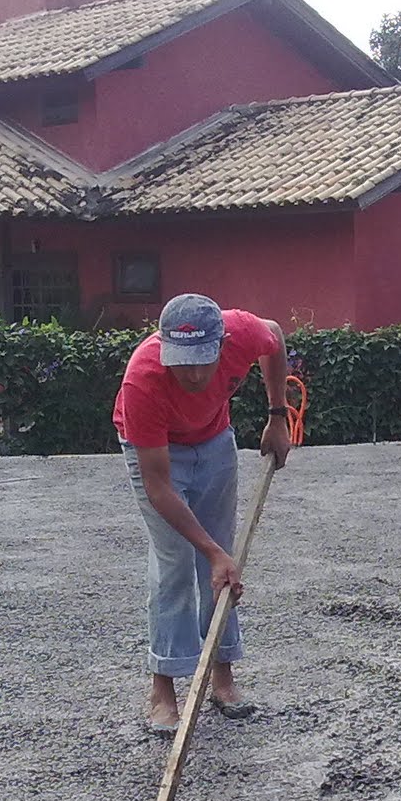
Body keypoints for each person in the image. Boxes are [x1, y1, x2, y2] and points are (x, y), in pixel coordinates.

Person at [113, 293, 292, 733]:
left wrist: (277, 414)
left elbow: (276, 335)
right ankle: (163, 687)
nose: (193, 374)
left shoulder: (245, 332)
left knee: (223, 563)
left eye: (203, 361)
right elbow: (158, 486)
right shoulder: (144, 380)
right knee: (175, 561)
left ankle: (222, 675)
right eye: (182, 361)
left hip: (214, 440)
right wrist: (209, 551)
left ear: (222, 343)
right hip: (159, 450)